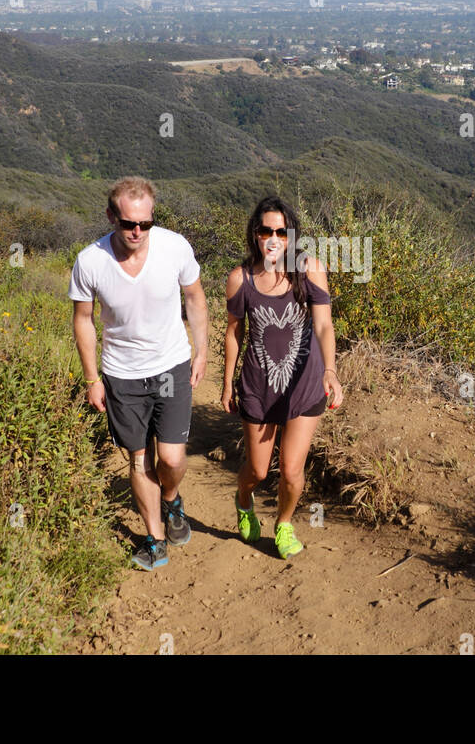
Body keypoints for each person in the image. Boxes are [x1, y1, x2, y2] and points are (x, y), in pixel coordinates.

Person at [69, 177, 208, 571]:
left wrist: (202, 352)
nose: (137, 231)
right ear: (111, 216)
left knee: (171, 457)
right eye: (128, 223)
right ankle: (155, 539)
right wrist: (92, 378)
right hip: (122, 375)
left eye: (145, 224)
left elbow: (195, 297)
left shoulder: (175, 247)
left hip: (170, 366)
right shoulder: (90, 261)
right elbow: (83, 320)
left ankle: (172, 501)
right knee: (139, 459)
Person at [221, 197, 343, 559]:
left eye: (280, 231)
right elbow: (233, 332)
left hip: (305, 384)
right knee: (257, 470)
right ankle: (244, 500)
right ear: (254, 234)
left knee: (291, 471)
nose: (272, 239)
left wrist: (331, 370)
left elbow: (323, 324)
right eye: (265, 231)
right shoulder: (239, 279)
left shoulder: (309, 270)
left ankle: (284, 524)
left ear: (291, 235)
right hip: (259, 386)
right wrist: (227, 383)